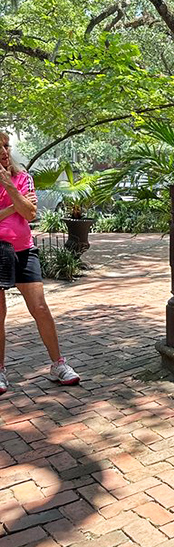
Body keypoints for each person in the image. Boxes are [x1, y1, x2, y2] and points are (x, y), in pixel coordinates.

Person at [0, 132, 80, 395]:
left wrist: (9, 187)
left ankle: (58, 365)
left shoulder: (23, 178)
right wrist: (15, 206)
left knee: (40, 308)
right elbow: (22, 209)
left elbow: (31, 213)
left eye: (6, 145)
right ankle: (0, 371)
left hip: (23, 249)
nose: (3, 150)